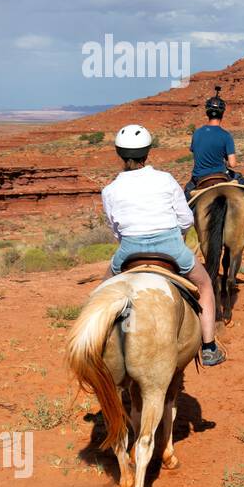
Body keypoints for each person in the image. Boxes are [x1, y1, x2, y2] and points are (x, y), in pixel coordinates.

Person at [101, 124, 226, 367]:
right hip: (170, 247)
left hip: (129, 250)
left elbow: (115, 228)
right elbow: (186, 219)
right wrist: (177, 236)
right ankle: (209, 346)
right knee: (205, 285)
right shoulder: (165, 180)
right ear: (148, 153)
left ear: (119, 153)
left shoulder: (110, 190)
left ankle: (98, 346)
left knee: (101, 293)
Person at [188, 86, 244, 233]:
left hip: (199, 177)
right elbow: (232, 163)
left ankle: (181, 233)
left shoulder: (197, 133)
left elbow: (195, 153)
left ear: (207, 113)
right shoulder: (225, 135)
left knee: (185, 198)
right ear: (222, 114)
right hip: (221, 174)